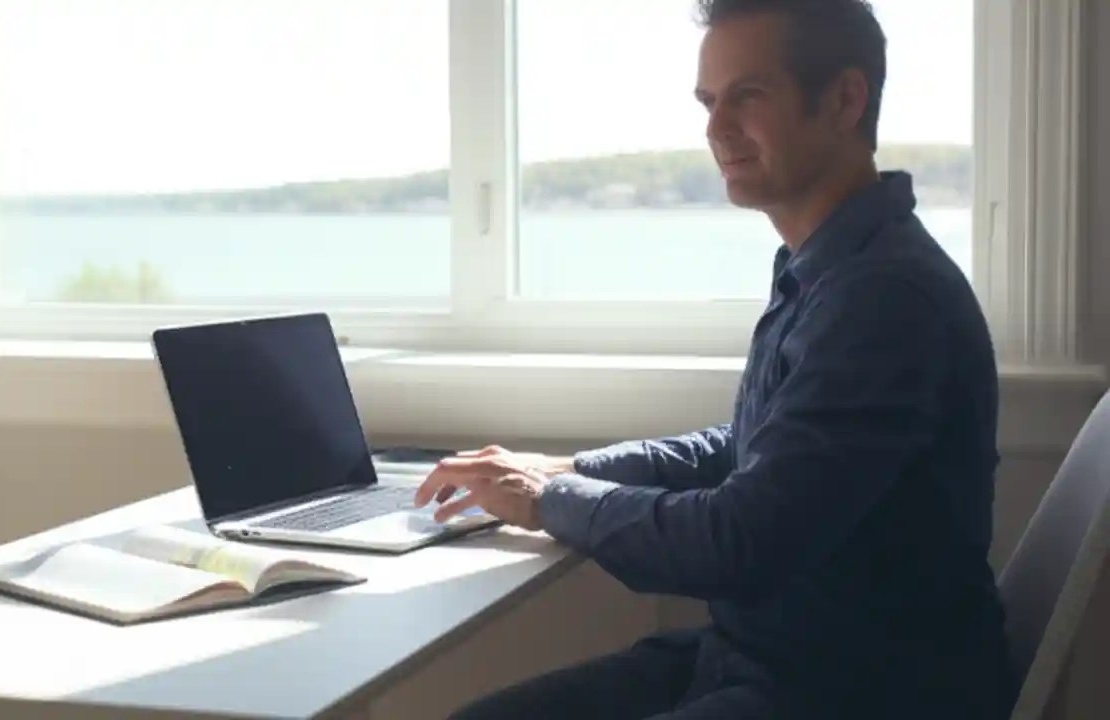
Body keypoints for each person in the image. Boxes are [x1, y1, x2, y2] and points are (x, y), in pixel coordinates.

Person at [413, 0, 1019, 718]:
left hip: (852, 691)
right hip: (766, 660)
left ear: (845, 100)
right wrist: (571, 470)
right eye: (708, 102)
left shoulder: (885, 297)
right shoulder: (829, 268)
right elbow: (750, 448)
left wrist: (549, 500)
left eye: (748, 96)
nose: (715, 128)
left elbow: (741, 540)